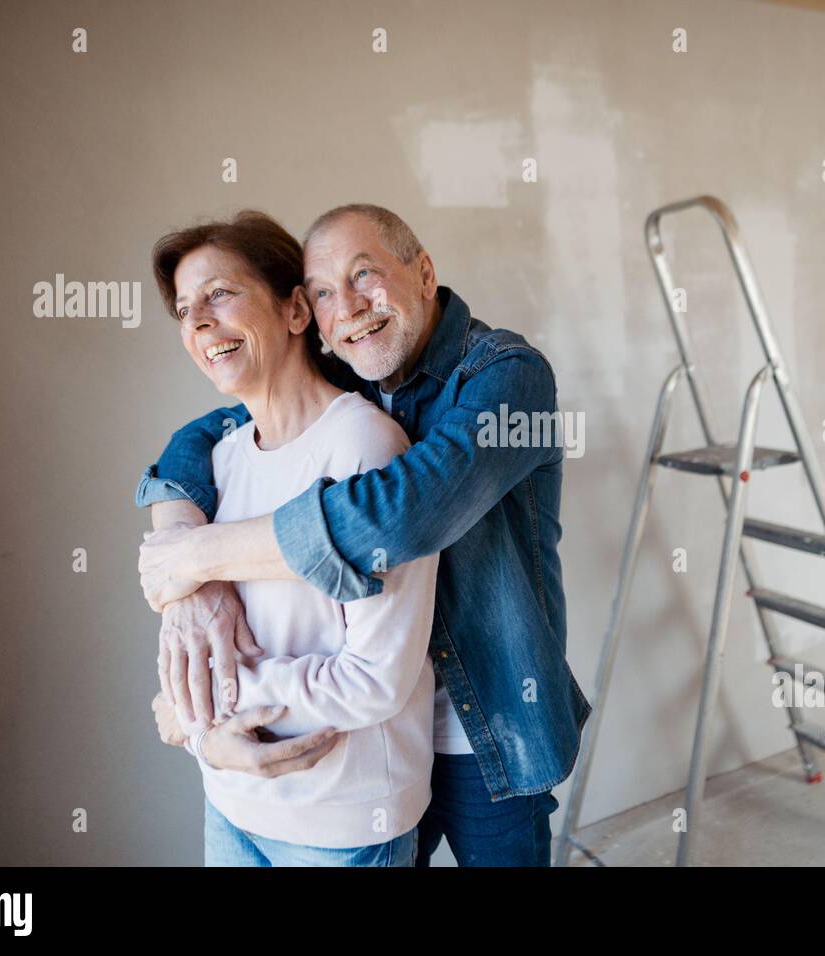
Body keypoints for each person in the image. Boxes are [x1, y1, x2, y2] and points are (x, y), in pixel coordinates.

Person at [137, 204, 590, 866]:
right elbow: (203, 436)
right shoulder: (355, 372)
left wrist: (195, 558)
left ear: (425, 272)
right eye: (323, 291)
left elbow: (394, 518)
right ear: (305, 312)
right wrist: (189, 587)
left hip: (488, 729)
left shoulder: (507, 377)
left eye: (364, 275)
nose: (347, 307)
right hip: (378, 741)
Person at [145, 210, 437, 867]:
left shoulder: (363, 446)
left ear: (297, 310)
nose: (196, 321)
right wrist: (205, 740)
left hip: (342, 826)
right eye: (185, 309)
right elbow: (191, 636)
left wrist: (211, 706)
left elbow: (376, 681)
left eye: (219, 294)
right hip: (230, 802)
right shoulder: (216, 466)